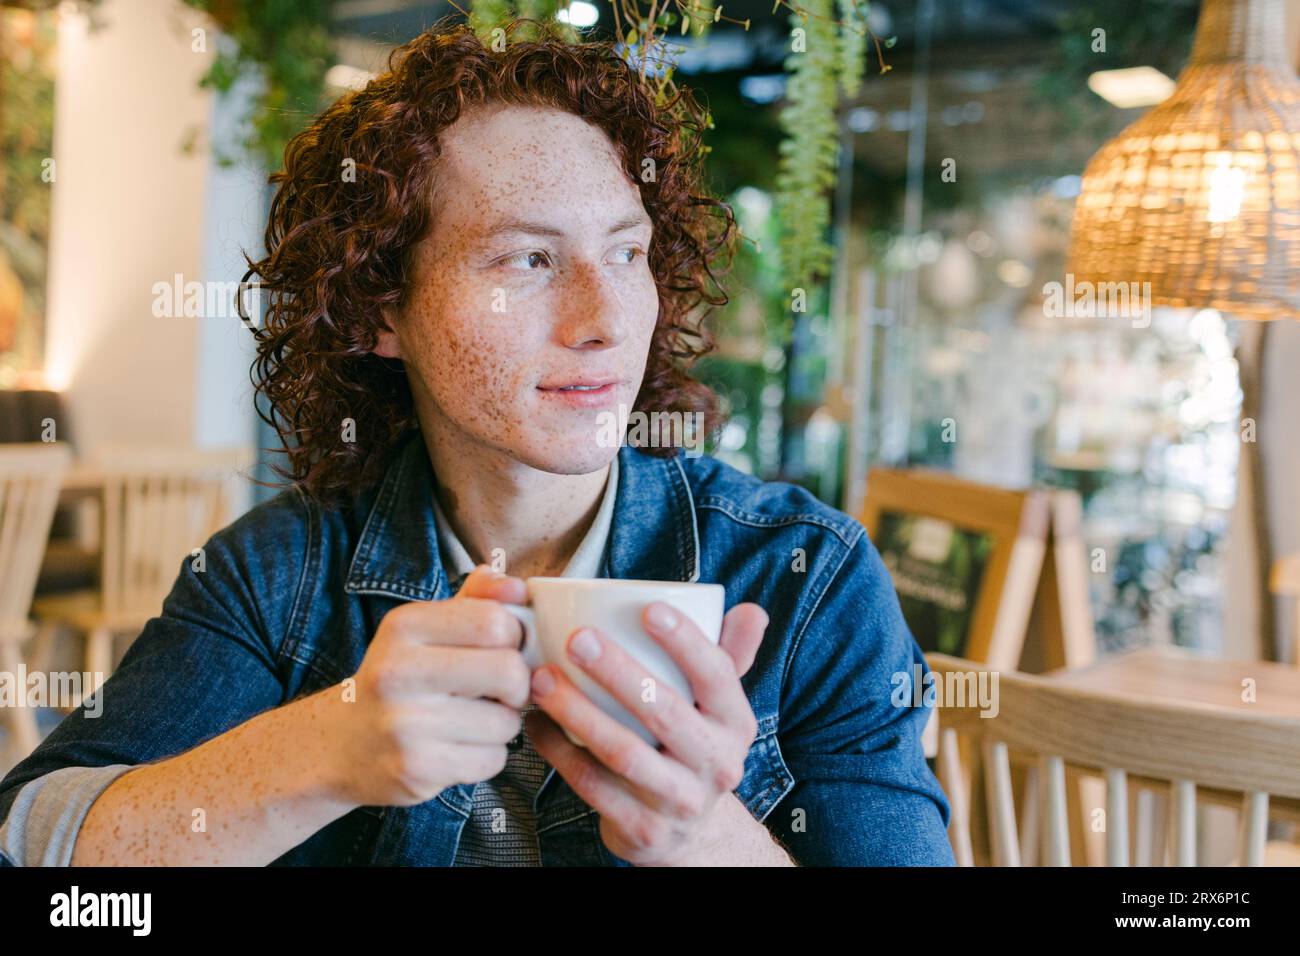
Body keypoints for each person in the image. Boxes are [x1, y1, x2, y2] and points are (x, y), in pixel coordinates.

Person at [0, 18, 953, 867]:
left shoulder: (803, 576)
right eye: (529, 259)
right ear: (380, 306)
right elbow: (34, 836)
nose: (605, 321)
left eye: (626, 252)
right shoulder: (279, 576)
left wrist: (702, 835)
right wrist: (324, 751)